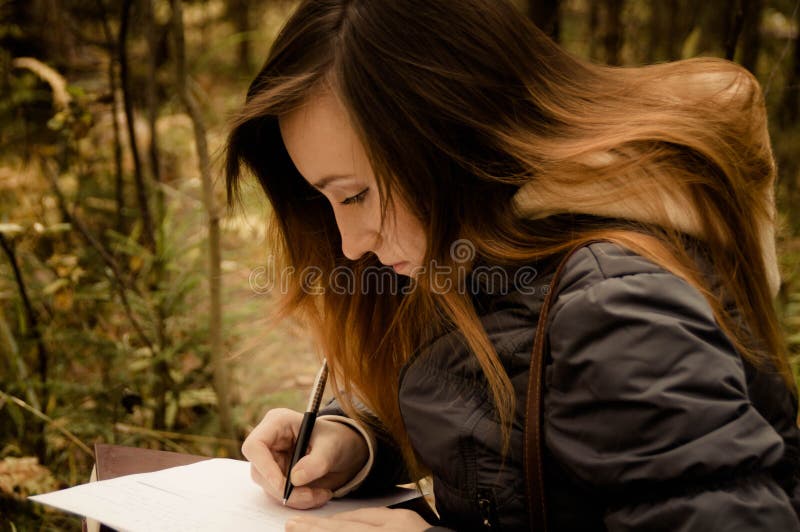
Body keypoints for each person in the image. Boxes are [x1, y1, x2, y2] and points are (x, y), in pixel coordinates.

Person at [224, 0, 800, 530]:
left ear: (453, 138)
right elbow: (519, 411)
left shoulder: (618, 302)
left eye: (355, 195)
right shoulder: (487, 257)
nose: (350, 244)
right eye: (326, 203)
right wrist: (357, 439)